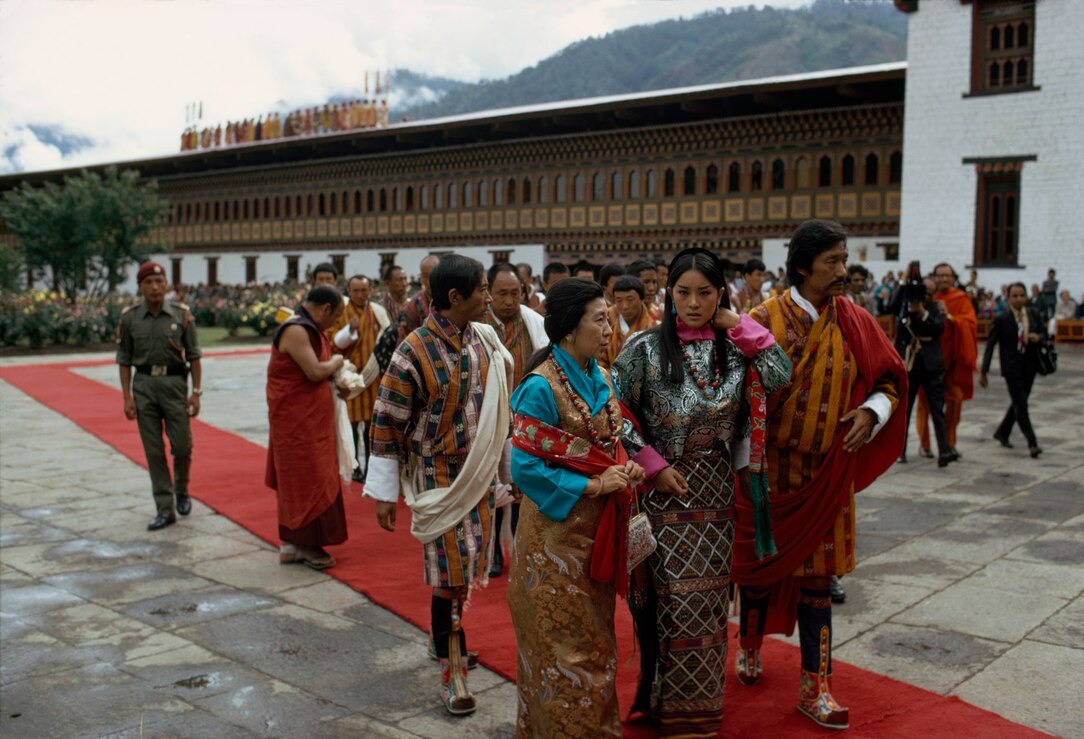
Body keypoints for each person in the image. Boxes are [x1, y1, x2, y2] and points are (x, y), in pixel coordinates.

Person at [732, 219, 907, 731]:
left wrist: (872, 412)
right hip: (771, 474)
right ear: (803, 266)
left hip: (830, 472)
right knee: (760, 574)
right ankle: (749, 646)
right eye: (832, 262)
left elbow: (891, 378)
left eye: (844, 260)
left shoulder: (854, 319)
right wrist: (745, 467)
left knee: (818, 584)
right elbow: (738, 400)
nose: (842, 271)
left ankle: (816, 687)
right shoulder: (762, 320)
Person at [613, 249, 791, 737]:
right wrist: (651, 466)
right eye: (684, 292)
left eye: (705, 293)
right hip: (663, 495)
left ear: (721, 295)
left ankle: (701, 713)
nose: (693, 303)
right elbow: (614, 413)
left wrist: (742, 326)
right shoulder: (643, 349)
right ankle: (666, 707)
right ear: (668, 294)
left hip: (715, 496)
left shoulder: (734, 349)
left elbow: (780, 374)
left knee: (710, 607)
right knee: (672, 603)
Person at [366, 255, 513, 716]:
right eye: (483, 290)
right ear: (455, 297)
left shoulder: (484, 339)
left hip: (480, 473)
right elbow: (386, 421)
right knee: (449, 576)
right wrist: (385, 493)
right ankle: (453, 672)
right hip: (439, 478)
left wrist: (505, 471)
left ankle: (441, 644)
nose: (489, 298)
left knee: (469, 567)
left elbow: (498, 411)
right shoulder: (412, 351)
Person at [507, 278, 644, 737]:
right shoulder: (539, 387)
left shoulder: (601, 376)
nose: (610, 328)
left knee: (598, 644)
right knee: (561, 654)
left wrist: (625, 469)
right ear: (568, 329)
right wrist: (593, 484)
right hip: (553, 542)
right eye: (600, 319)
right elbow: (525, 467)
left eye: (610, 318)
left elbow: (610, 443)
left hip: (595, 538)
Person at [266, 285, 348, 569]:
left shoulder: (310, 328)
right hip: (298, 423)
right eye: (335, 316)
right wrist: (337, 361)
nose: (335, 323)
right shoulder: (297, 329)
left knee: (306, 477)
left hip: (310, 419)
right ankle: (306, 545)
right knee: (307, 480)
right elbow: (314, 371)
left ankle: (292, 544)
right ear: (325, 308)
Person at [116, 262, 203, 531]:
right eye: (148, 282)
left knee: (182, 446)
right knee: (154, 451)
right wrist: (127, 397)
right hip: (144, 387)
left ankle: (182, 489)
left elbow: (194, 356)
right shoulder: (130, 318)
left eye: (159, 281)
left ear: (166, 285)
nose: (154, 287)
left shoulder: (182, 315)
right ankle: (164, 509)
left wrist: (196, 392)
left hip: (175, 385)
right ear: (140, 287)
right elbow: (124, 360)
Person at [485, 262, 547, 577]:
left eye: (515, 293)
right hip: (487, 419)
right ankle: (493, 550)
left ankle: (520, 548)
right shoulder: (477, 323)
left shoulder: (533, 322)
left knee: (521, 486)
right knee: (492, 487)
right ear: (488, 293)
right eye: (502, 294)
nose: (509, 301)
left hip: (525, 418)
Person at [330, 275, 391, 482]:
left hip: (373, 376)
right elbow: (332, 341)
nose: (359, 294)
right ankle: (355, 464)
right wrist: (350, 331)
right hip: (351, 377)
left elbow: (387, 338)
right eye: (355, 290)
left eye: (363, 290)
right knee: (353, 424)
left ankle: (369, 468)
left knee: (371, 424)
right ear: (348, 290)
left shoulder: (377, 312)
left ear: (370, 289)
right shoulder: (342, 312)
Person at [891, 271, 955, 467]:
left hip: (931, 364)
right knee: (905, 409)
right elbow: (893, 311)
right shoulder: (905, 308)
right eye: (921, 292)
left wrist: (923, 313)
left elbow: (939, 329)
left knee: (937, 408)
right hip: (911, 364)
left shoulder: (935, 308)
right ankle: (900, 451)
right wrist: (904, 289)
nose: (923, 297)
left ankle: (944, 450)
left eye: (928, 293)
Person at [915, 264, 978, 460]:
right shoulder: (926, 297)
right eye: (939, 275)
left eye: (947, 275)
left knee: (955, 400)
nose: (943, 279)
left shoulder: (960, 298)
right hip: (929, 360)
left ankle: (950, 442)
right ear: (933, 277)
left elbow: (969, 323)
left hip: (952, 361)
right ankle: (924, 445)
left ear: (953, 278)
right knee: (924, 403)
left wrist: (950, 318)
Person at [980, 282, 1046, 458]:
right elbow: (990, 345)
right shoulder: (1002, 318)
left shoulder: (1033, 314)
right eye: (1015, 296)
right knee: (1021, 404)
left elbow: (1044, 333)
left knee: (1019, 402)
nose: (1019, 299)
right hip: (1011, 367)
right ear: (1008, 298)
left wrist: (1037, 337)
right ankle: (1032, 443)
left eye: (1022, 295)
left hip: (1030, 365)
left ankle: (1002, 432)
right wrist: (984, 370)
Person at [602, 275, 656, 368]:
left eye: (630, 300)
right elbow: (601, 362)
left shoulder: (654, 328)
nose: (625, 306)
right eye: (619, 300)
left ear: (642, 299)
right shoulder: (608, 328)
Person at [397, 255, 440, 340]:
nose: (429, 281)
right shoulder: (414, 304)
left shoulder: (453, 300)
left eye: (434, 275)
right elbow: (405, 339)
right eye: (425, 276)